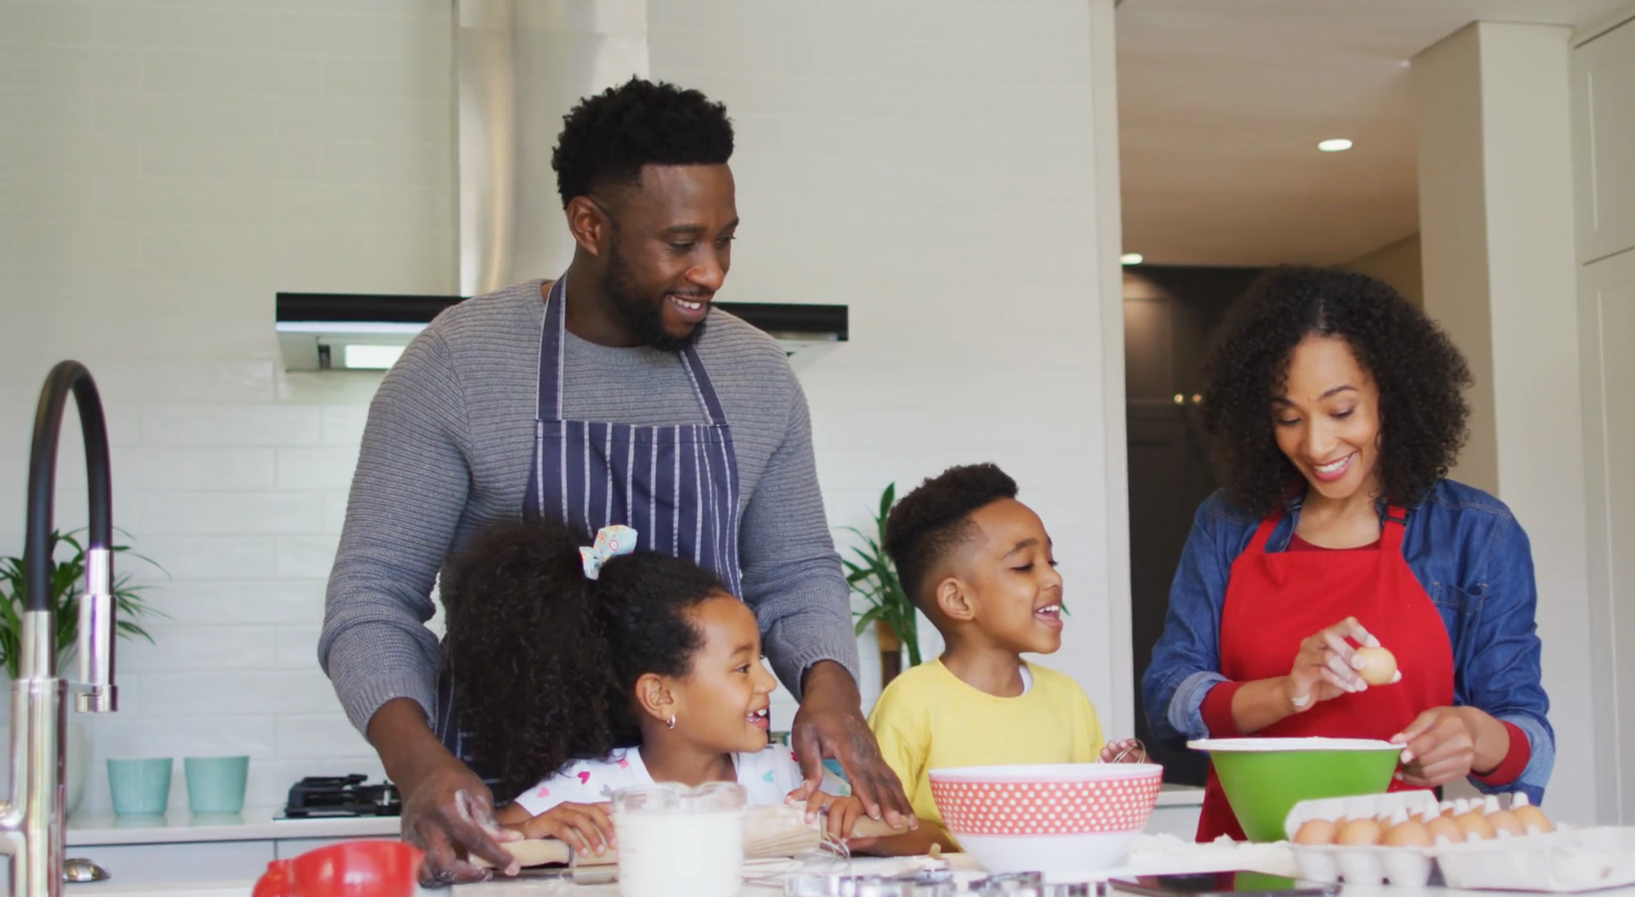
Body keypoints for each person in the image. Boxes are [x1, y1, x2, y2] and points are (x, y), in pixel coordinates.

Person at [319, 78, 908, 884]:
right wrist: (418, 764)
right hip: (507, 825)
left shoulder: (755, 374)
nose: (712, 271)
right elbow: (371, 599)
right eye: (680, 242)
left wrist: (831, 689)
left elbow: (797, 571)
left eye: (726, 239)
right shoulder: (461, 363)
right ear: (590, 225)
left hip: (709, 827)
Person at [1139, 266, 1553, 842]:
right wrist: (1288, 691)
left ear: (1394, 393)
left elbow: (1529, 740)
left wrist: (1474, 735)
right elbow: (1168, 701)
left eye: (1341, 412)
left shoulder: (1474, 533)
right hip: (1241, 860)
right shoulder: (1228, 523)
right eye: (1288, 418)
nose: (1315, 444)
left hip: (1399, 860)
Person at [437, 523, 869, 857]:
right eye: (742, 667)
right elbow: (456, 851)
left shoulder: (793, 776)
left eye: (762, 662)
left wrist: (862, 828)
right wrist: (526, 833)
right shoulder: (586, 787)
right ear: (661, 696)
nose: (769, 682)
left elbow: (919, 835)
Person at [868, 464, 1145, 854]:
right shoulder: (910, 702)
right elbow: (879, 828)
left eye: (1052, 562)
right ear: (959, 600)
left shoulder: (1069, 699)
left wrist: (1121, 782)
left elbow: (1086, 824)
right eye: (1024, 566)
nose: (1053, 579)